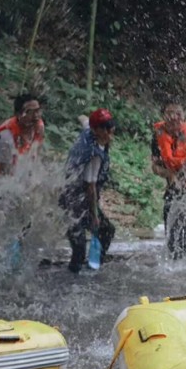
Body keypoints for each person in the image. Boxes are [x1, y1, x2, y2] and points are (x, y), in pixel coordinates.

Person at [59, 108, 117, 273]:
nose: (110, 136)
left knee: (107, 230)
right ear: (96, 130)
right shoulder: (94, 155)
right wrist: (94, 216)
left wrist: (81, 116)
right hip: (74, 201)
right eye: (107, 132)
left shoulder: (88, 130)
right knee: (79, 246)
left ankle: (94, 267)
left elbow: (83, 118)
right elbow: (90, 187)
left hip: (70, 195)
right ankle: (74, 278)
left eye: (112, 131)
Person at [151, 103, 186, 261]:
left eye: (178, 114)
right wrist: (170, 175)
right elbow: (154, 166)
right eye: (170, 114)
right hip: (173, 189)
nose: (174, 118)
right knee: (173, 234)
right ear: (164, 117)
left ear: (183, 117)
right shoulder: (158, 134)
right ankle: (174, 264)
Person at [0, 93, 44, 176]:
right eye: (30, 112)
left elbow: (35, 159)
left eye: (37, 111)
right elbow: (5, 173)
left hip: (13, 170)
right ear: (18, 115)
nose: (36, 116)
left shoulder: (39, 125)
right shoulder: (5, 135)